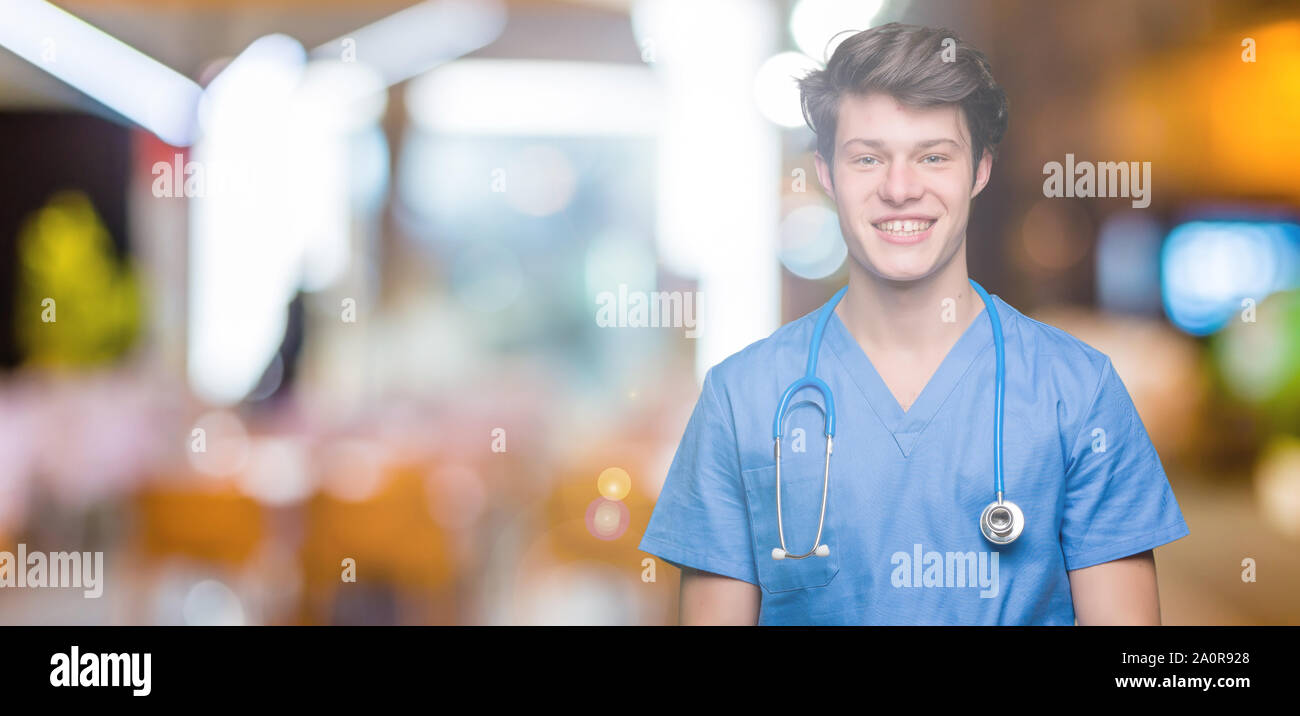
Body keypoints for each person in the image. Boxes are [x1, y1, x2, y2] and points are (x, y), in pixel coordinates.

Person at [637, 22, 1190, 625]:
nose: (900, 189)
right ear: (825, 172)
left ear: (979, 169)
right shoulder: (739, 400)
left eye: (933, 156)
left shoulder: (1079, 394)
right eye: (868, 158)